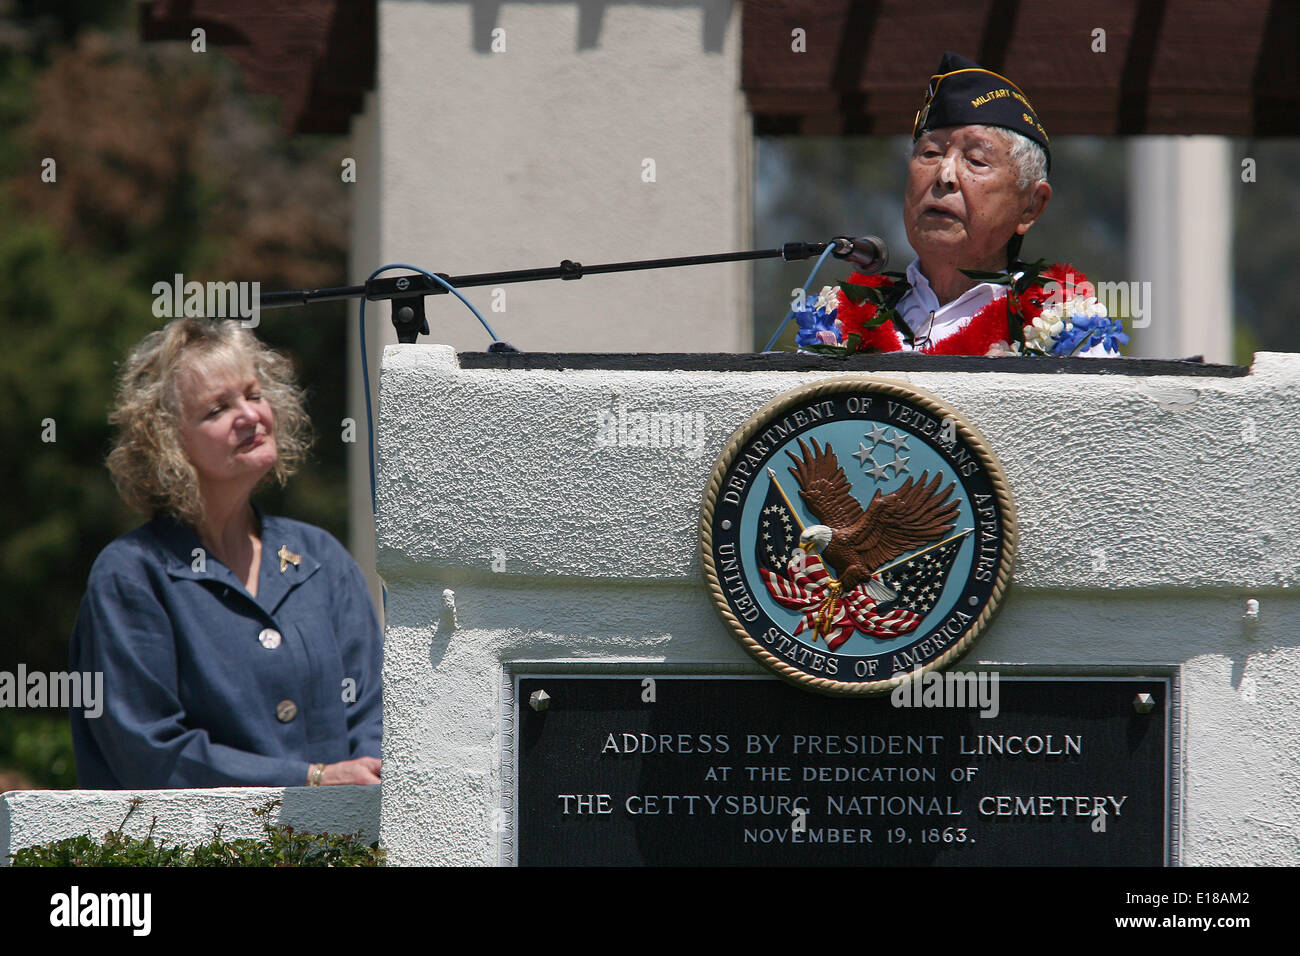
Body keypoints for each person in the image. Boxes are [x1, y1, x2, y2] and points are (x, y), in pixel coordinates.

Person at [69, 317, 382, 788]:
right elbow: (149, 754)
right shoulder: (133, 574)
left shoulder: (320, 557)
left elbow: (377, 713)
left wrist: (368, 778)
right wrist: (312, 779)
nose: (249, 416)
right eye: (217, 409)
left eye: (254, 395)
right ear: (167, 441)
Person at [836, 52, 1120, 357]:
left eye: (976, 160)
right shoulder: (842, 322)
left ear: (1031, 206)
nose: (945, 175)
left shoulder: (1066, 332)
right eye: (930, 154)